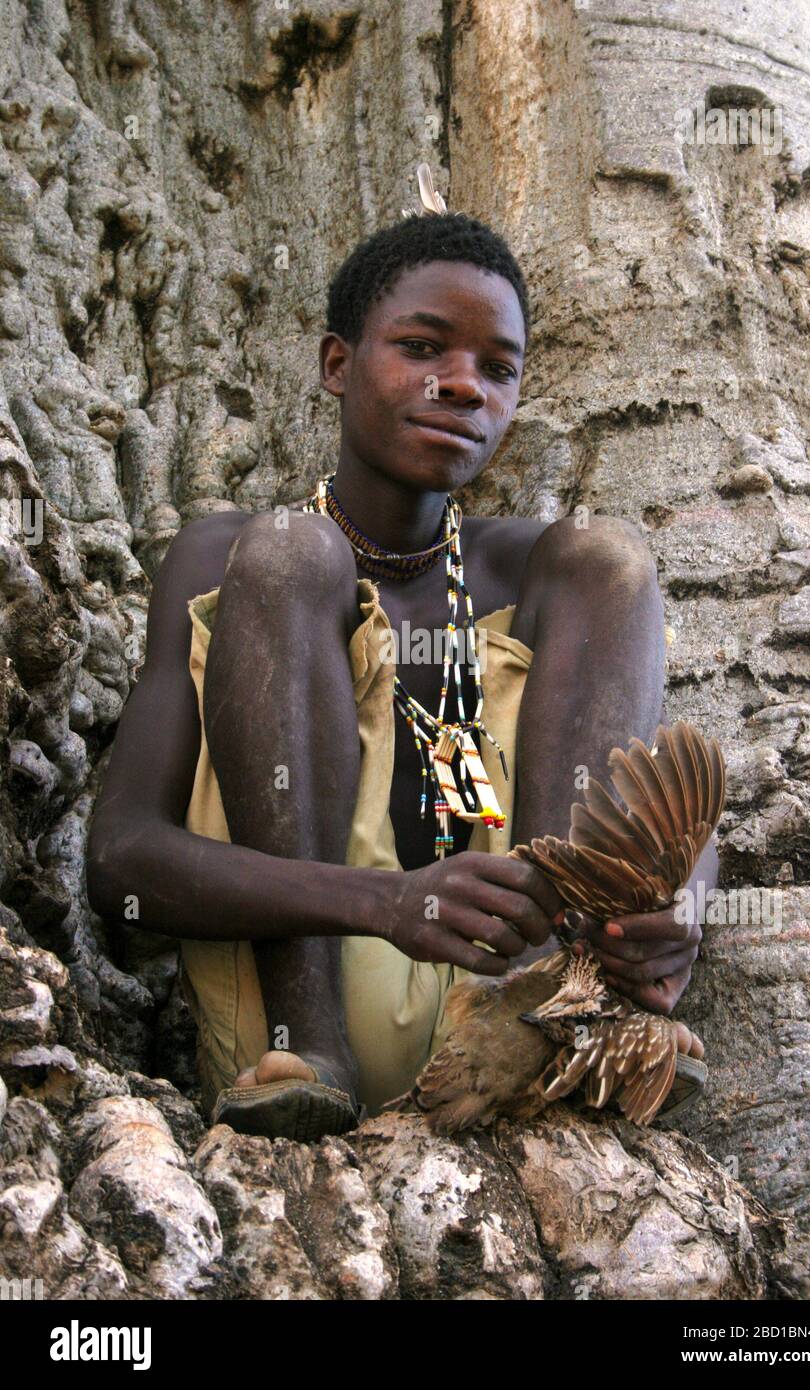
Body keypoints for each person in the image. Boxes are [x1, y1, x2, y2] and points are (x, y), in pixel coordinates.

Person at [87, 176, 716, 1142]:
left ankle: (569, 1003)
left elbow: (673, 804)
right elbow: (120, 862)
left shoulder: (544, 572)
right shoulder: (230, 559)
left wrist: (678, 910)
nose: (463, 383)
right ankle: (317, 1039)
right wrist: (386, 903)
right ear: (339, 365)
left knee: (613, 559)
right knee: (291, 550)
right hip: (295, 1030)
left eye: (496, 367)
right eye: (423, 348)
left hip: (515, 1027)